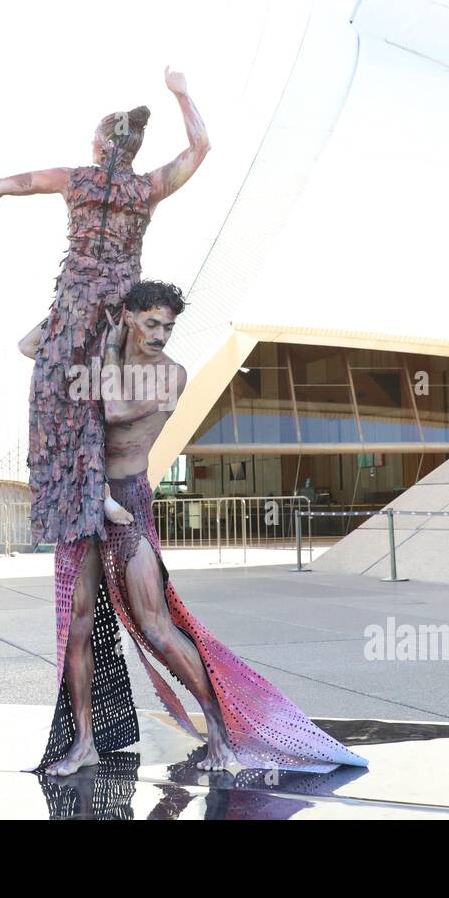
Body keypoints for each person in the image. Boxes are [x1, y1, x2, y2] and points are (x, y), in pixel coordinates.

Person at [33, 281, 369, 776]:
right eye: (151, 323)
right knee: (77, 626)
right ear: (128, 317)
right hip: (84, 499)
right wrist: (73, 305)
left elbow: (115, 411)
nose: (160, 335)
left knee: (157, 625)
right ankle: (84, 743)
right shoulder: (99, 360)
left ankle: (220, 732)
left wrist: (108, 348)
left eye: (168, 326)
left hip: (127, 502)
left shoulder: (169, 375)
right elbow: (31, 349)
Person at [0, 66, 210, 548]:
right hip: (117, 307)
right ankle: (96, 489)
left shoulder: (75, 180)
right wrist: (182, 95)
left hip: (77, 304)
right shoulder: (146, 189)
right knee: (90, 389)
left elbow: (7, 183)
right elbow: (199, 148)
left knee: (66, 393)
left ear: (100, 145)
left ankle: (91, 490)